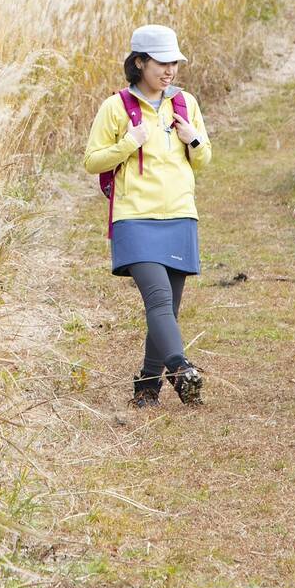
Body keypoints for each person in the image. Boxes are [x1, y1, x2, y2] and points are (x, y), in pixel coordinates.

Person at [84, 24, 212, 408]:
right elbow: (92, 161)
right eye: (161, 62)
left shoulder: (185, 103)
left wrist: (193, 138)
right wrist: (129, 143)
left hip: (179, 215)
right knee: (157, 300)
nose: (169, 70)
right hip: (135, 218)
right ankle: (181, 368)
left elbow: (203, 160)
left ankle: (147, 388)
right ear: (139, 62)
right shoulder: (115, 107)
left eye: (174, 62)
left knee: (167, 311)